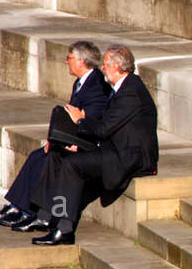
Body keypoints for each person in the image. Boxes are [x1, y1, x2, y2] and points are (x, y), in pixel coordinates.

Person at [29, 44, 159, 246]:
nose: (102, 68)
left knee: (72, 165)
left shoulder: (131, 91)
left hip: (128, 157)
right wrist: (76, 142)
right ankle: (47, 216)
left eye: (106, 64)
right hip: (113, 149)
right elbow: (105, 130)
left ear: (117, 67)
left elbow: (103, 129)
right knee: (60, 154)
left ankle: (64, 230)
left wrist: (80, 120)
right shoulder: (122, 88)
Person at [0, 41, 110, 229]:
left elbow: (92, 120)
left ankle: (33, 212)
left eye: (69, 58)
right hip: (75, 138)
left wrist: (68, 142)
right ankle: (18, 206)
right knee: (37, 156)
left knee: (50, 159)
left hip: (86, 143)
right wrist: (55, 139)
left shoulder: (97, 86)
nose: (66, 61)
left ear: (80, 61)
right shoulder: (81, 82)